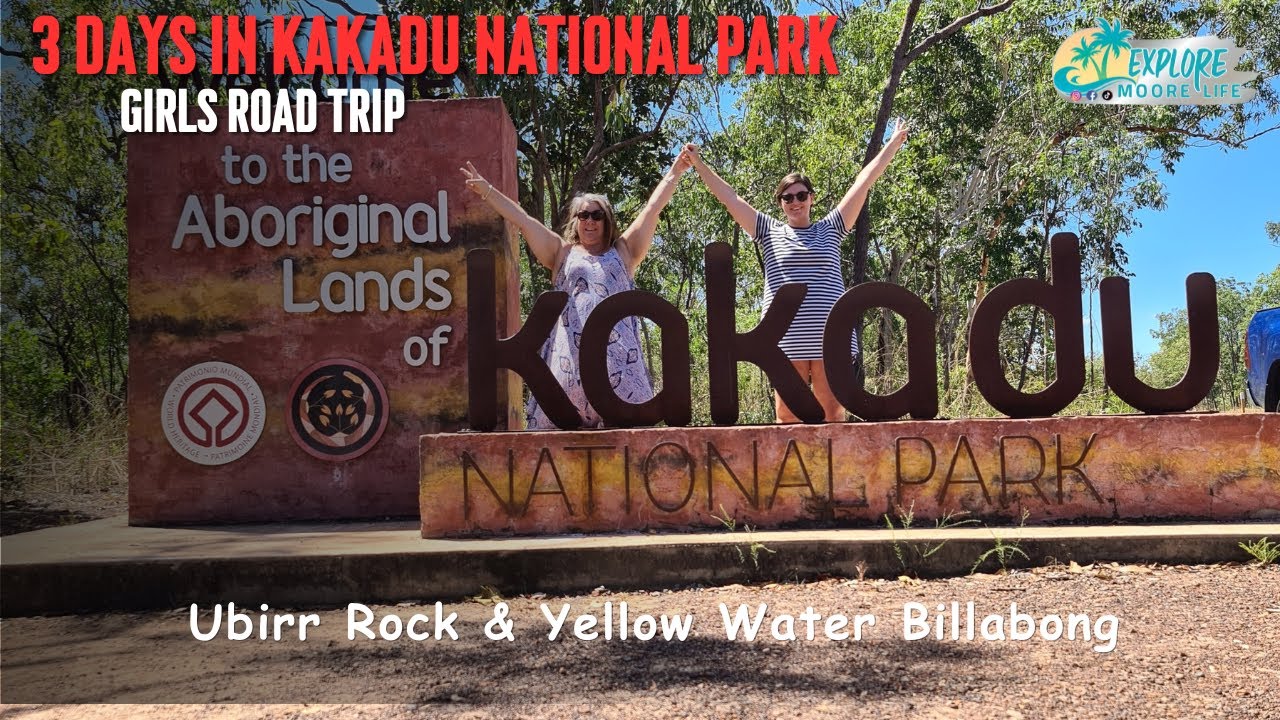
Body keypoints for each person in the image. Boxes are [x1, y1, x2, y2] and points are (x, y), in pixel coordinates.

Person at [684, 118, 910, 423]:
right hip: (786, 337)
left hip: (831, 336)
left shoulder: (832, 227)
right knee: (787, 420)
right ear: (780, 203)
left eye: (801, 195)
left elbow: (863, 182)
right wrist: (697, 163)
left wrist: (893, 143)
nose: (795, 202)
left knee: (833, 416)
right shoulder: (768, 230)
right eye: (787, 197)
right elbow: (729, 197)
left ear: (811, 198)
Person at [460, 154, 692, 429]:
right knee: (560, 448)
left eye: (597, 215)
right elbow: (522, 219)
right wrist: (487, 190)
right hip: (568, 365)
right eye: (583, 215)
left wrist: (676, 171)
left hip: (620, 369)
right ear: (576, 220)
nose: (590, 221)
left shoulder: (624, 251)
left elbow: (653, 208)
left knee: (629, 448)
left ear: (607, 221)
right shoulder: (561, 252)